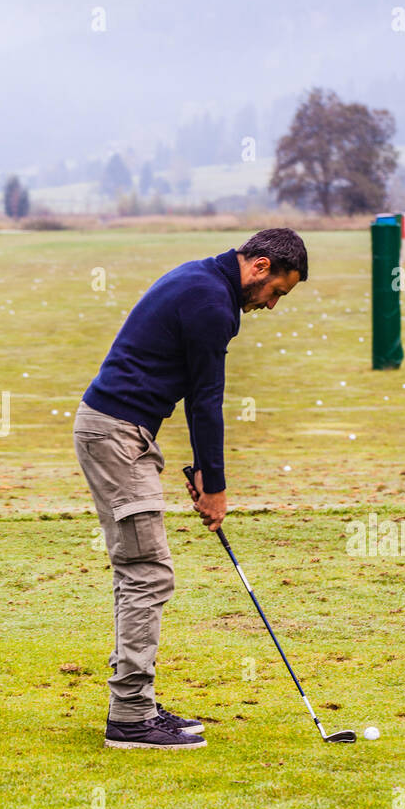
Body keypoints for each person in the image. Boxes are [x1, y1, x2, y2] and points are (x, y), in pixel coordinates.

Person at [73, 228, 308, 749]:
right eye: (277, 293)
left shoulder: (205, 279)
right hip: (115, 435)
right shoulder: (211, 302)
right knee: (148, 574)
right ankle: (130, 717)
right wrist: (216, 486)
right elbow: (206, 401)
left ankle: (133, 703)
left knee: (139, 572)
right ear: (261, 266)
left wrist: (204, 474)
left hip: (121, 432)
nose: (271, 305)